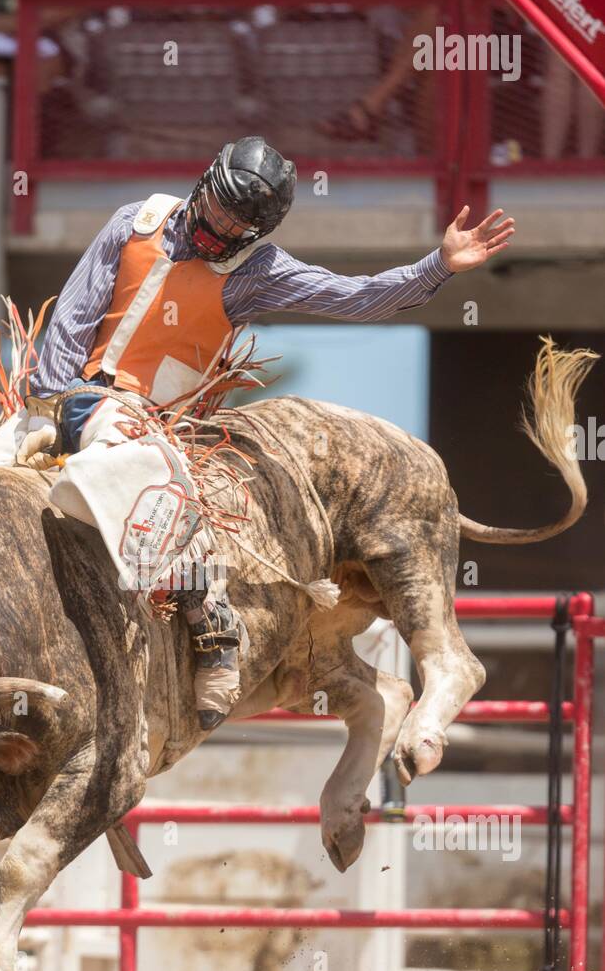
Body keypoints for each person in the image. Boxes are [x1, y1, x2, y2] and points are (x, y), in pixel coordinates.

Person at [25, 136, 514, 728]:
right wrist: (47, 405)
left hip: (161, 427)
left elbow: (354, 296)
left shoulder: (259, 272)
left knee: (155, 488)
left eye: (238, 223)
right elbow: (74, 314)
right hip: (70, 403)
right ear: (205, 184)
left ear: (255, 232)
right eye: (221, 207)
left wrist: (436, 266)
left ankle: (213, 626)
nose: (221, 226)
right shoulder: (135, 222)